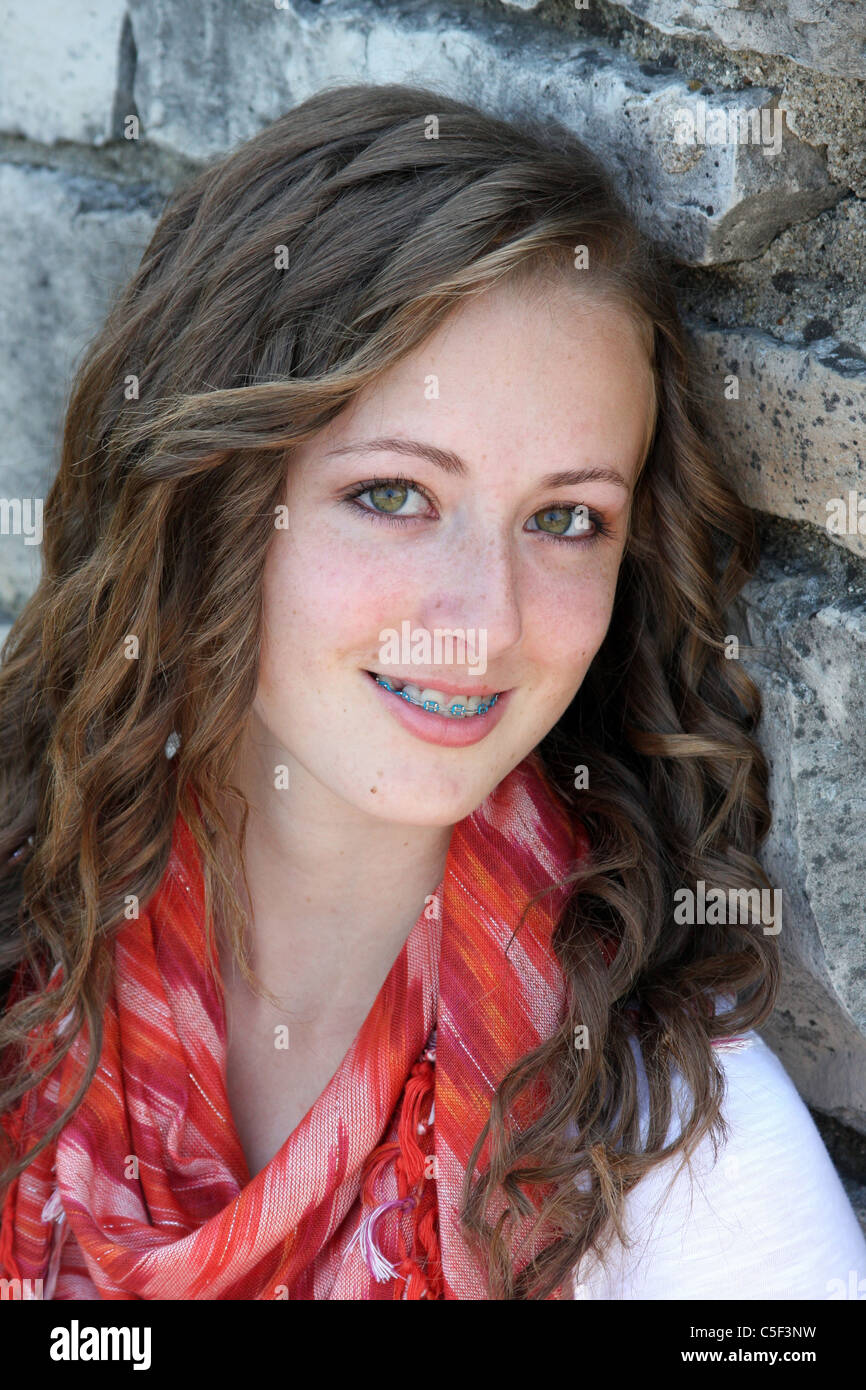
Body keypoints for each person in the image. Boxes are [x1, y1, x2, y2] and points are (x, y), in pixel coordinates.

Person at [0, 82, 863, 1302]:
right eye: (394, 495)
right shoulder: (27, 950)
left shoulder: (675, 1157)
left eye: (565, 519)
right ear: (208, 500)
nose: (486, 621)